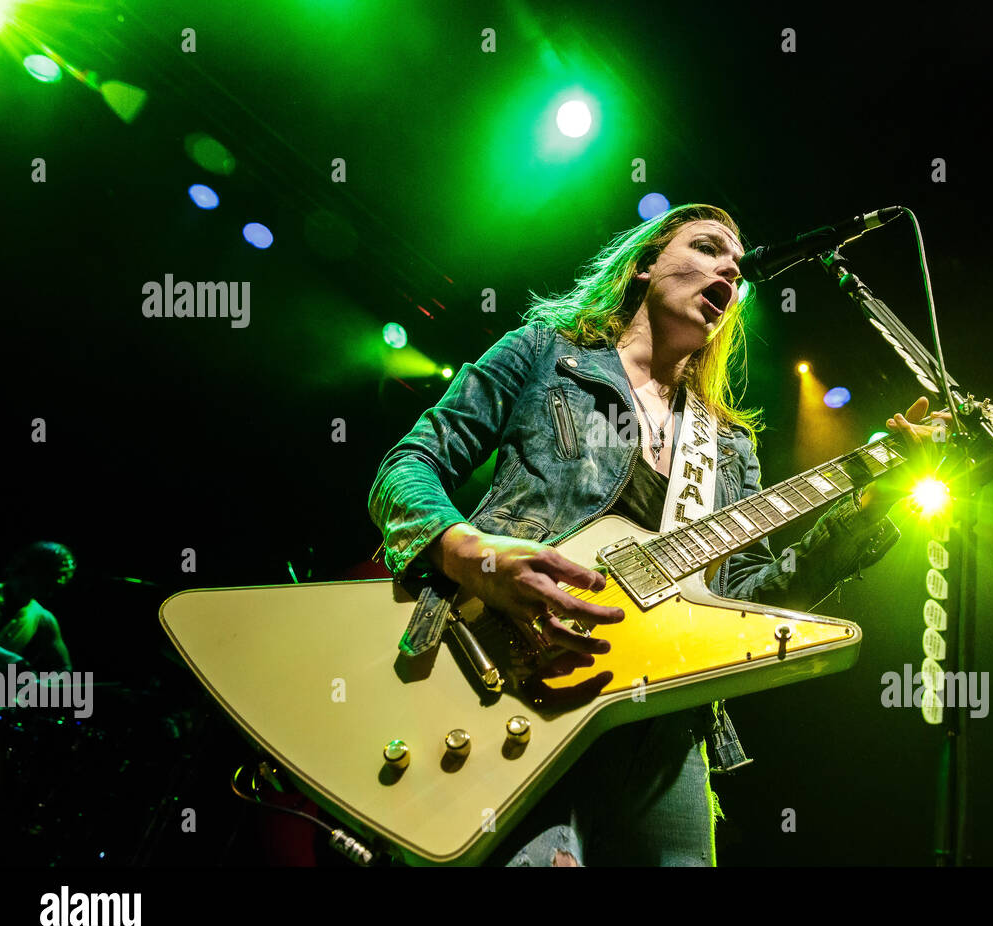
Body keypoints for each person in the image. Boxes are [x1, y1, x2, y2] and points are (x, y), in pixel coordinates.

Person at [368, 204, 942, 866]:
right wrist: (473, 557)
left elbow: (751, 602)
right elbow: (408, 466)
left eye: (737, 265)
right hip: (505, 669)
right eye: (707, 247)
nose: (731, 266)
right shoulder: (544, 353)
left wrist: (871, 505)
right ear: (643, 264)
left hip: (662, 727)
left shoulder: (726, 445)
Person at [0, 541, 75, 674]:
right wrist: (14, 662)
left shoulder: (43, 618)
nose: (59, 582)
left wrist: (42, 685)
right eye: (51, 574)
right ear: (26, 569)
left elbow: (64, 669)